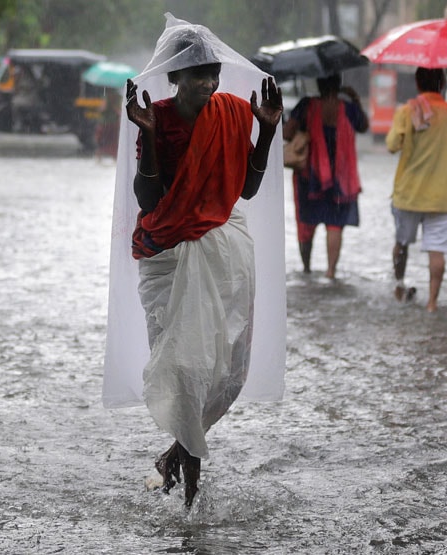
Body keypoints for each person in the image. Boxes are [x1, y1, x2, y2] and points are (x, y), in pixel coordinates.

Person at [101, 14, 286, 509]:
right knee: (185, 371)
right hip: (166, 256)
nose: (208, 82)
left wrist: (265, 133)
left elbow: (244, 188)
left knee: (220, 372)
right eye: (197, 73)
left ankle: (176, 468)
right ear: (175, 77)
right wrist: (148, 136)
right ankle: (192, 509)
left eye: (213, 73)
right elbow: (150, 198)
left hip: (221, 252)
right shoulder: (155, 117)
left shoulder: (231, 113)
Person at [385, 67, 447, 313]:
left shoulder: (406, 111)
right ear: (443, 82)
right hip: (442, 197)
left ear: (416, 82)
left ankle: (399, 286)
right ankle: (432, 304)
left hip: (408, 194)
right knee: (438, 251)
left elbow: (392, 145)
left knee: (402, 243)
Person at [283, 73, 368, 278]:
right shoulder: (347, 108)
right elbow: (363, 126)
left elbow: (286, 133)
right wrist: (355, 99)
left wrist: (292, 118)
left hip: (309, 178)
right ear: (338, 84)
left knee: (306, 225)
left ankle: (306, 270)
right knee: (335, 224)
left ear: (318, 83)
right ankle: (331, 272)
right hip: (340, 180)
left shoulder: (307, 105)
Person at [10, 64, 42, 131]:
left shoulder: (29, 78)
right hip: (30, 100)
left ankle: (19, 123)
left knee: (15, 104)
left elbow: (16, 89)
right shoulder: (30, 77)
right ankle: (20, 123)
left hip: (29, 101)